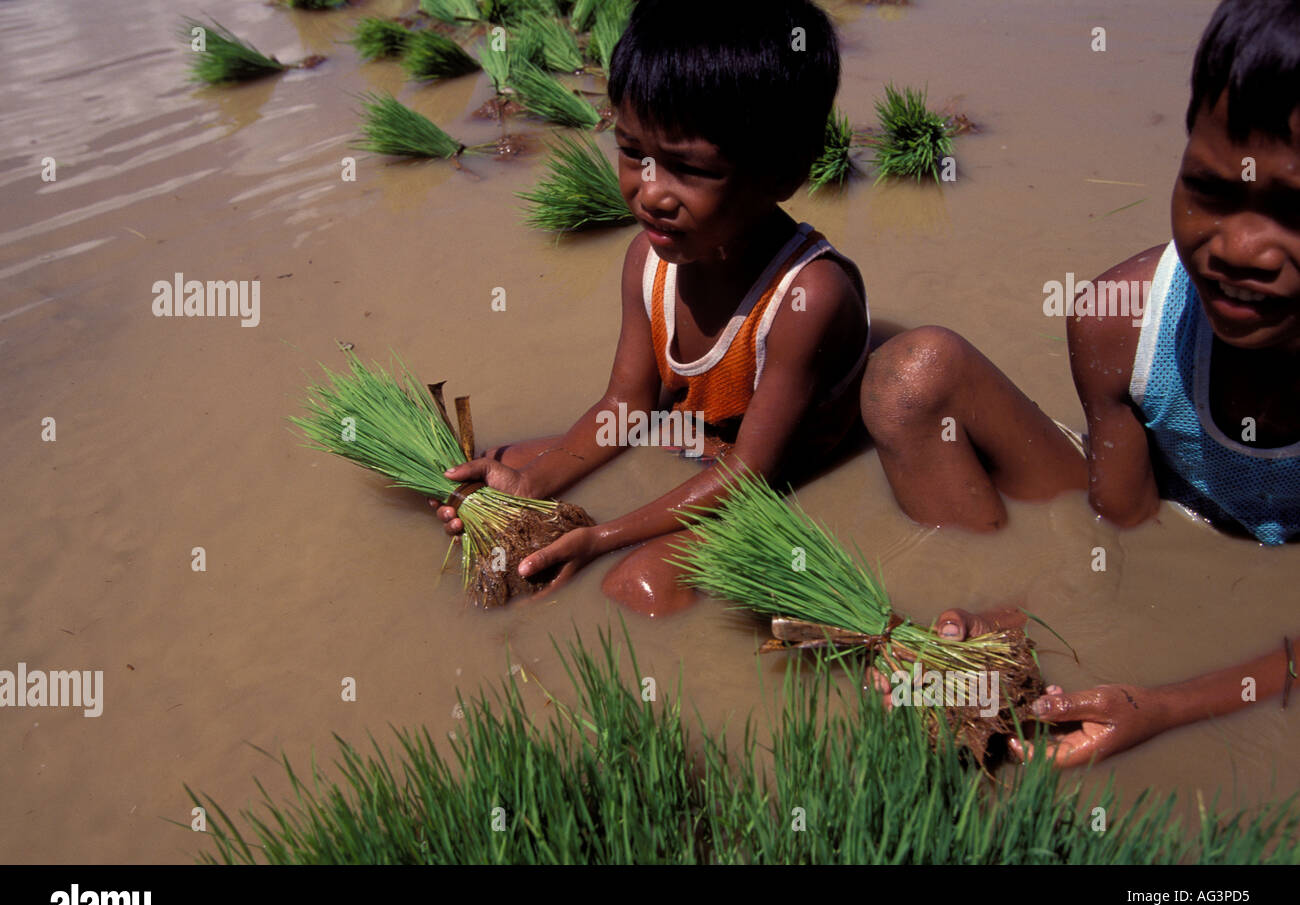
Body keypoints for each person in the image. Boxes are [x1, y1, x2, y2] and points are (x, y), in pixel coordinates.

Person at [869, 0, 1300, 765]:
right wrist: (1020, 614)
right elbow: (1119, 526)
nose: (1239, 248)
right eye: (1209, 190)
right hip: (1171, 501)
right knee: (911, 377)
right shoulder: (1118, 321)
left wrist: (1167, 705)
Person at [435, 0, 870, 616]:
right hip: (690, 444)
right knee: (499, 465)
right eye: (633, 151)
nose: (650, 190)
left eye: (688, 168)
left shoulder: (808, 297)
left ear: (782, 173)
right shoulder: (648, 261)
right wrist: (534, 486)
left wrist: (600, 536)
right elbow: (624, 407)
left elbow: (751, 475)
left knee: (638, 585)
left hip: (768, 480)